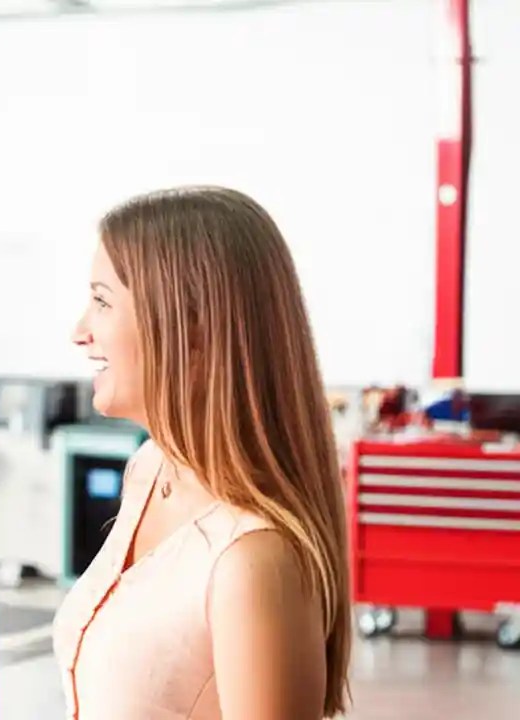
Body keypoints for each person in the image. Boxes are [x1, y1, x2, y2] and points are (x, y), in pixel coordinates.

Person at [54, 186, 352, 719]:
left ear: (190, 327)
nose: (80, 331)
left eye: (101, 301)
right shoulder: (150, 470)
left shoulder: (252, 560)